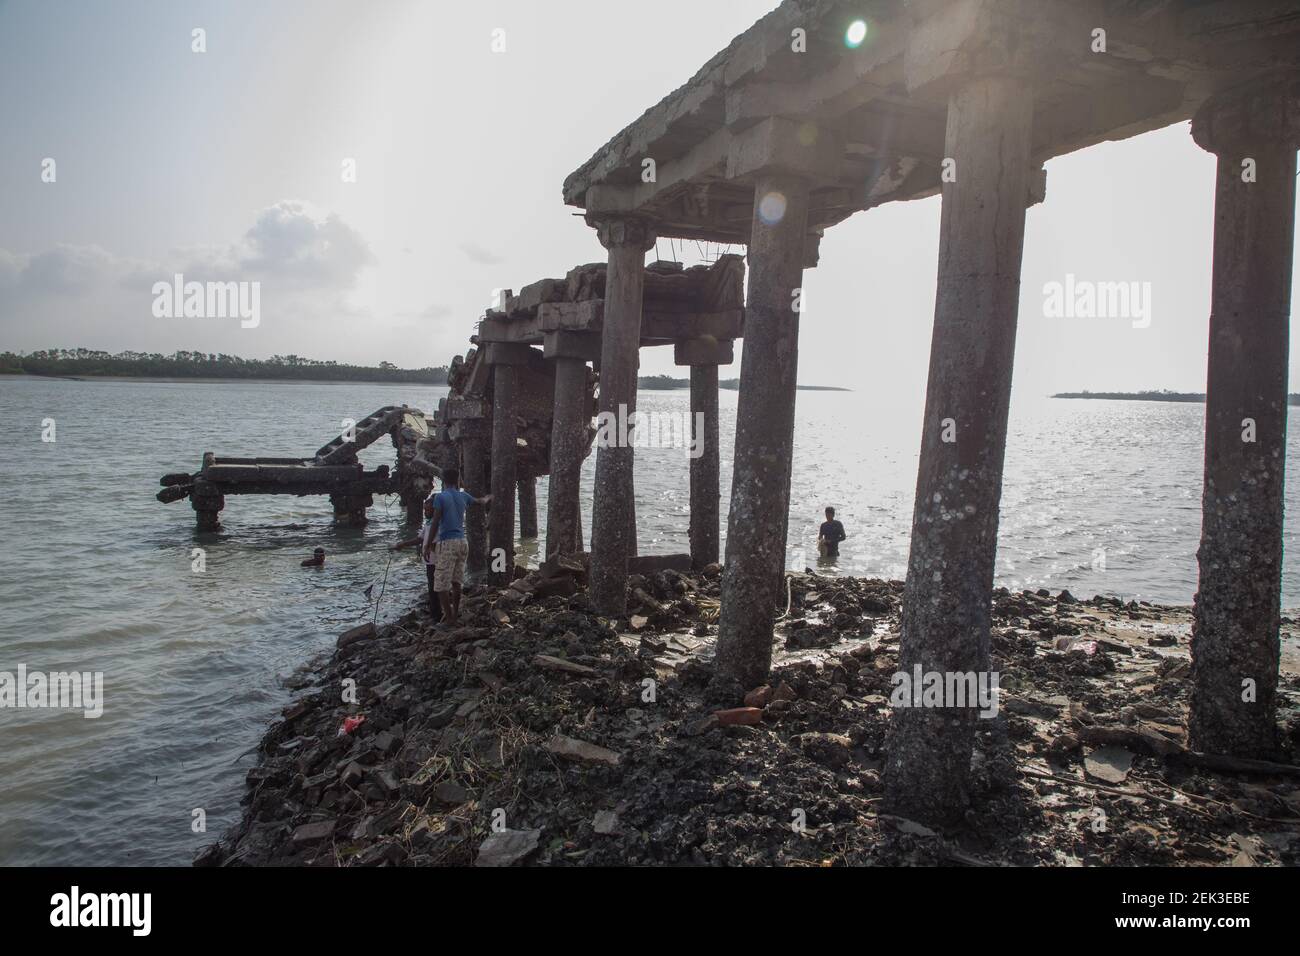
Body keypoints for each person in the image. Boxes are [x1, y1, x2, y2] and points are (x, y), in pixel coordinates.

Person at [424, 468, 490, 626]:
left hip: (448, 542)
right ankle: (455, 613)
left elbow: (435, 522)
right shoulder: (463, 495)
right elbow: (479, 501)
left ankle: (449, 619)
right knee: (456, 581)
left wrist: (427, 544)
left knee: (440, 586)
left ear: (443, 481)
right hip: (462, 542)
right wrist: (488, 497)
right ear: (458, 480)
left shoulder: (440, 497)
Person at [393, 500, 442, 623]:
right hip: (429, 560)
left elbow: (442, 542)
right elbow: (419, 539)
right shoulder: (428, 524)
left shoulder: (439, 524)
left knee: (435, 588)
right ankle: (434, 613)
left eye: (429, 510)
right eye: (424, 510)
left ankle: (437, 616)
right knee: (432, 587)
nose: (426, 512)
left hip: (437, 560)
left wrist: (431, 547)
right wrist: (403, 544)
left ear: (435, 510)